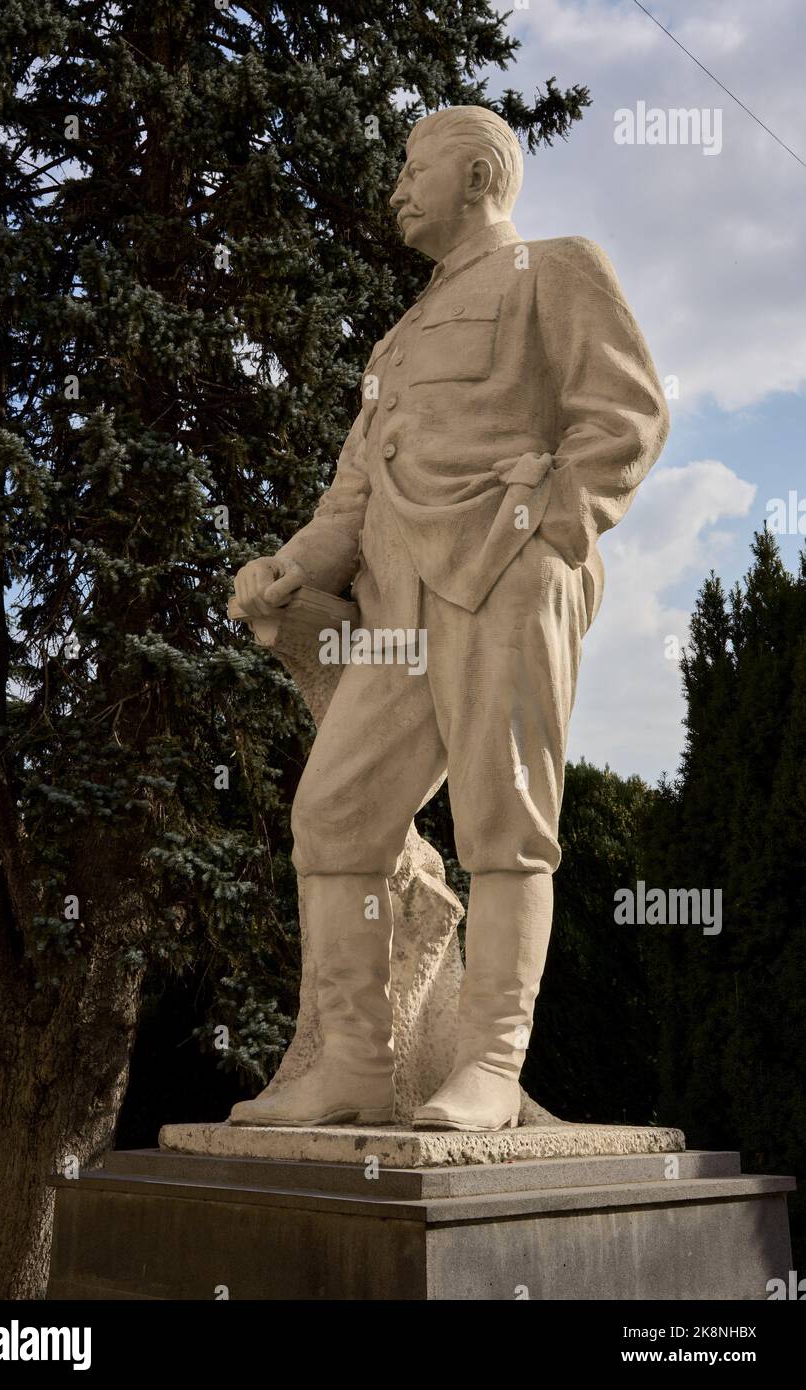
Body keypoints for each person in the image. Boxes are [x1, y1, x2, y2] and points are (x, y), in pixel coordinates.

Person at [231, 105, 669, 1131]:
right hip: (396, 605)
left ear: (475, 175)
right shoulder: (397, 338)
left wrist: (544, 533)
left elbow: (627, 417)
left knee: (503, 822)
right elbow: (352, 497)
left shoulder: (555, 269)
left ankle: (488, 1067)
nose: (395, 188)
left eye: (411, 167)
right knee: (332, 815)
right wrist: (288, 568)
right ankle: (353, 1068)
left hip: (503, 578)